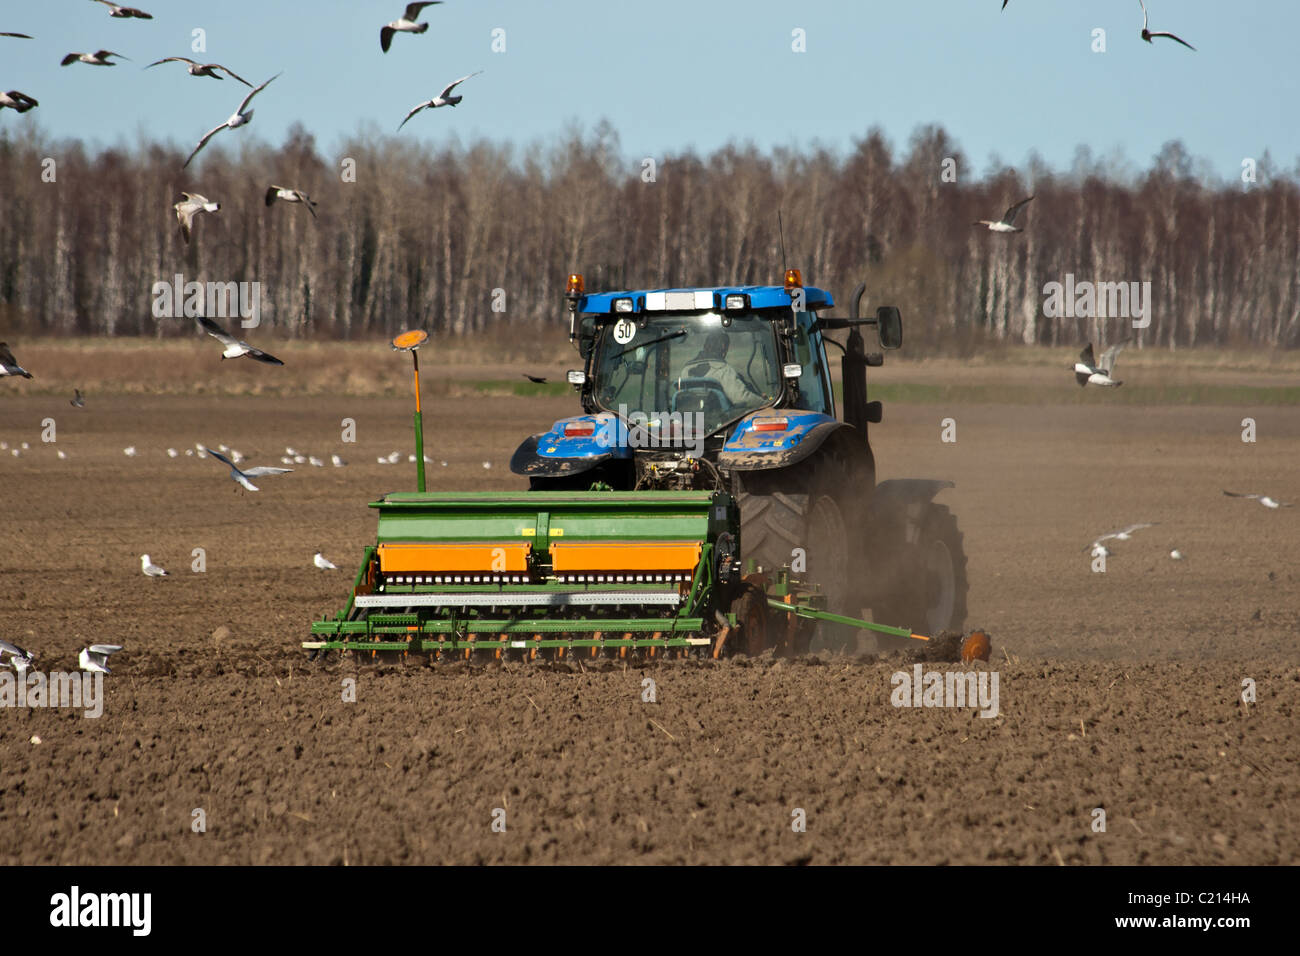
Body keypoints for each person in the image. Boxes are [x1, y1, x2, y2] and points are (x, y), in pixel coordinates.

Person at [679, 331, 764, 407]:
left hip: (690, 419)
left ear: (705, 346)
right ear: (724, 348)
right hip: (719, 420)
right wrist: (765, 403)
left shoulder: (685, 370)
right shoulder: (724, 370)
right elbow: (742, 398)